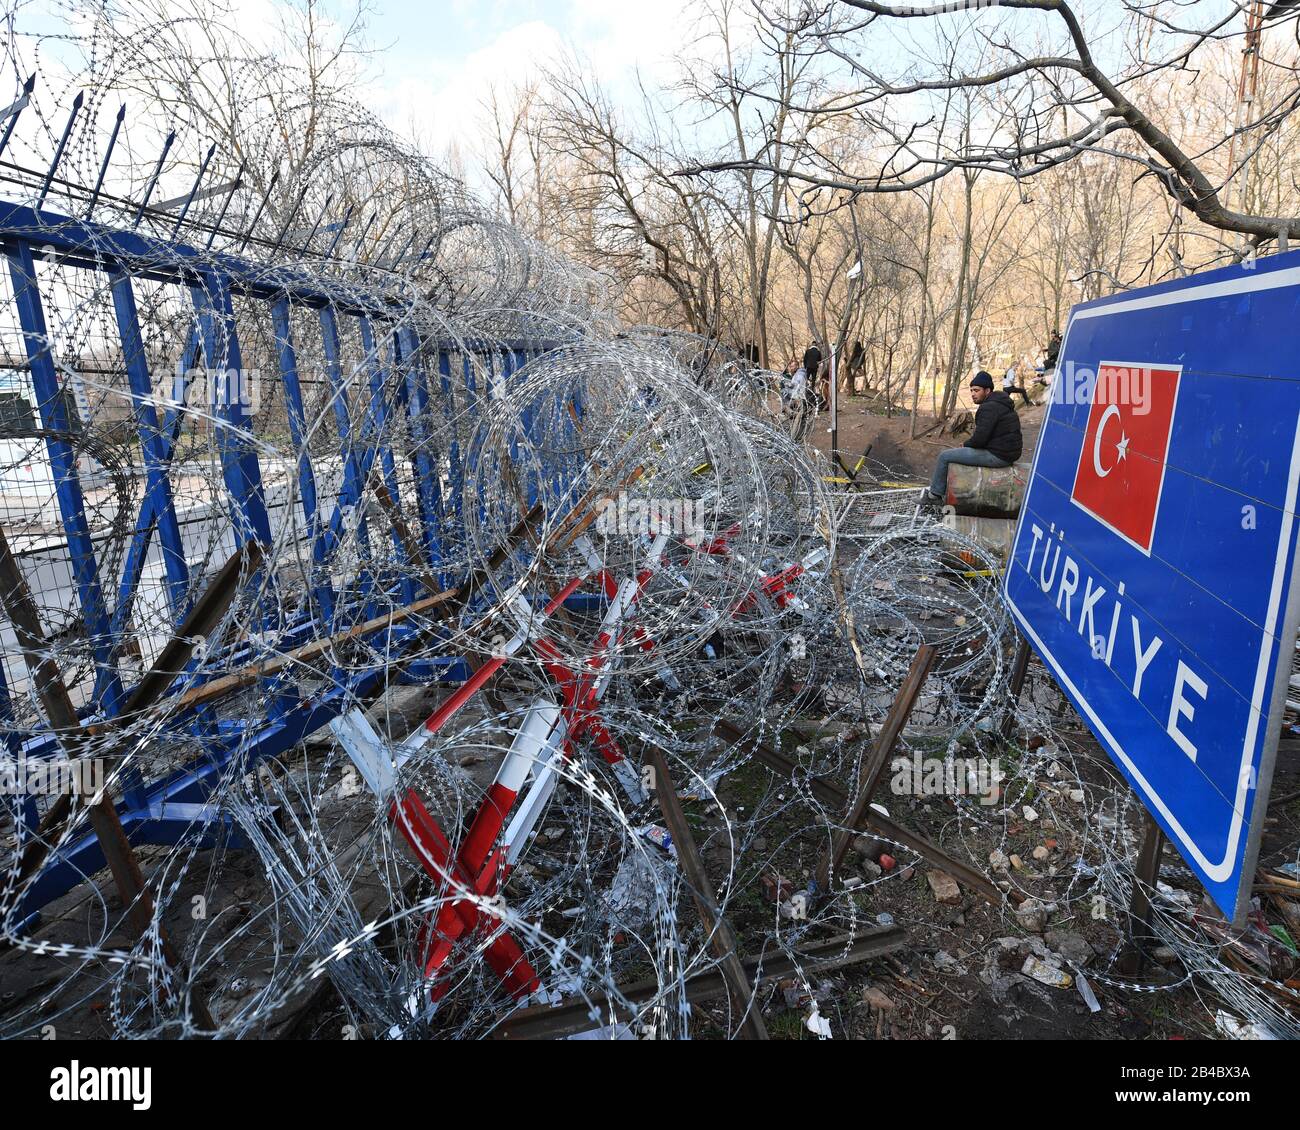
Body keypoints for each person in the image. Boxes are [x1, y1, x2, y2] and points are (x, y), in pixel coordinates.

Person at [923, 371, 1022, 503]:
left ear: (987, 391)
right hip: (1009, 453)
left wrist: (966, 444)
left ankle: (934, 496)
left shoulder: (988, 408)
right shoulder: (1001, 403)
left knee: (944, 456)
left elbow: (980, 439)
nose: (973, 394)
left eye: (976, 390)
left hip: (999, 456)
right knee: (955, 453)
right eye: (971, 390)